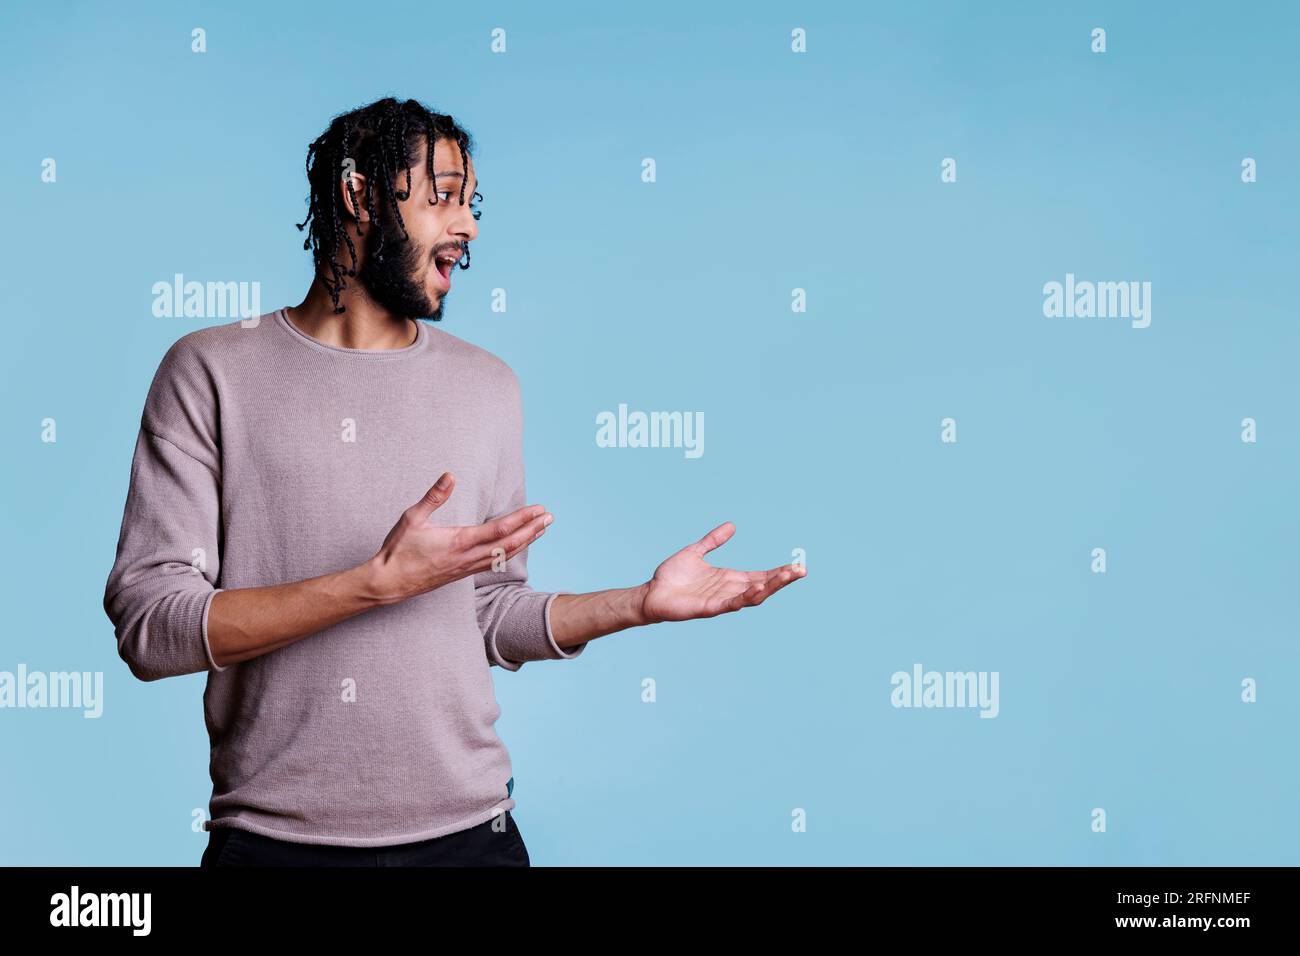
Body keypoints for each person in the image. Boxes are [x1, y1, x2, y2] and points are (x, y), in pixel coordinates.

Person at [103, 96, 806, 867]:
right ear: (359, 195)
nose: (467, 227)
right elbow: (151, 628)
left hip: (473, 841)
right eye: (442, 199)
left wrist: (637, 605)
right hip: (274, 845)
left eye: (471, 204)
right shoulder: (210, 372)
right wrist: (370, 585)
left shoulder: (487, 387)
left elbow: (487, 613)